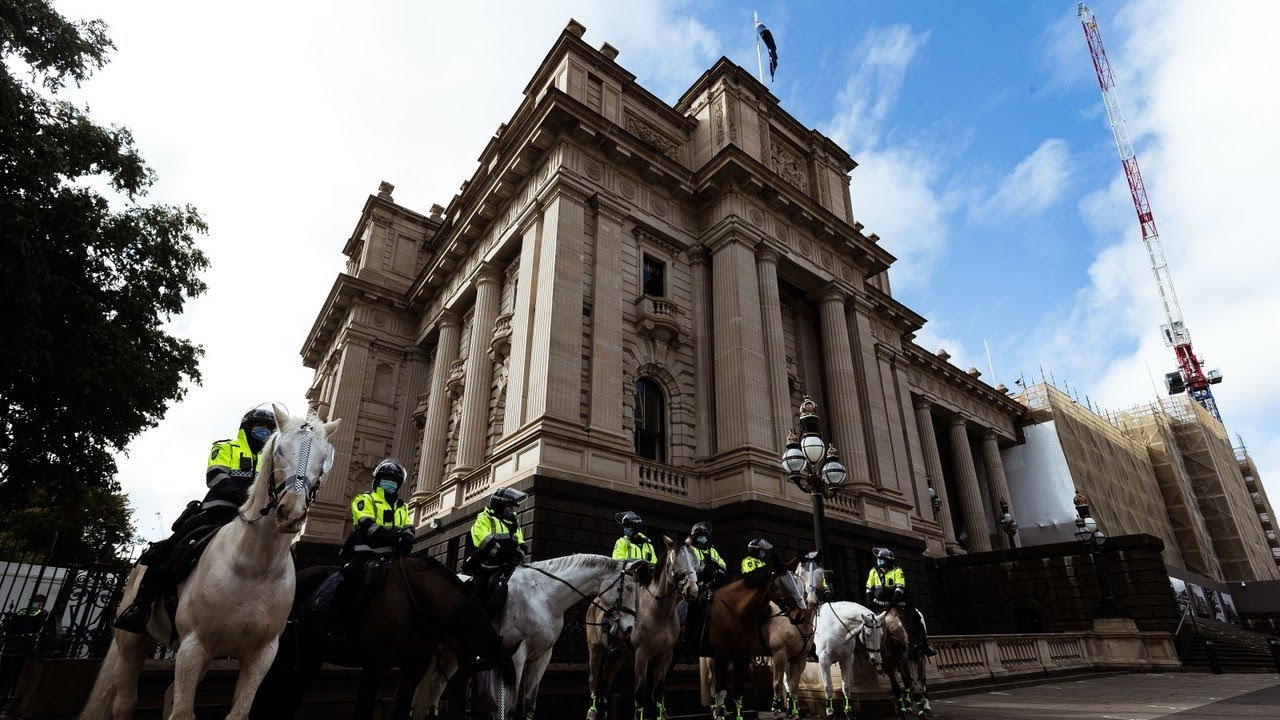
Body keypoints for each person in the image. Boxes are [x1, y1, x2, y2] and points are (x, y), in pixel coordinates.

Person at [115, 405, 278, 633]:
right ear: (247, 427)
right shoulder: (226, 447)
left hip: (254, 518)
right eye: (261, 426)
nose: (266, 431)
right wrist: (248, 498)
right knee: (169, 548)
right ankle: (140, 606)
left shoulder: (272, 459)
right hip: (219, 510)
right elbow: (215, 477)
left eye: (271, 428)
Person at [464, 487, 527, 611]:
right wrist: (503, 553)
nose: (511, 509)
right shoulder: (484, 518)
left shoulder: (514, 522)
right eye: (509, 505)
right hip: (487, 565)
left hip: (508, 566)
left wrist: (519, 554)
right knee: (478, 594)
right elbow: (482, 540)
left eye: (512, 506)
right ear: (500, 504)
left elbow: (521, 542)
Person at [865, 548, 936, 657]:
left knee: (915, 617)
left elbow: (900, 587)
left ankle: (924, 645)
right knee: (867, 624)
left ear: (888, 561)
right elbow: (869, 587)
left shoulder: (897, 571)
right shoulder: (873, 571)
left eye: (882, 560)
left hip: (897, 604)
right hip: (878, 605)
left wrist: (893, 601)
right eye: (878, 559)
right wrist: (869, 601)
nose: (879, 562)